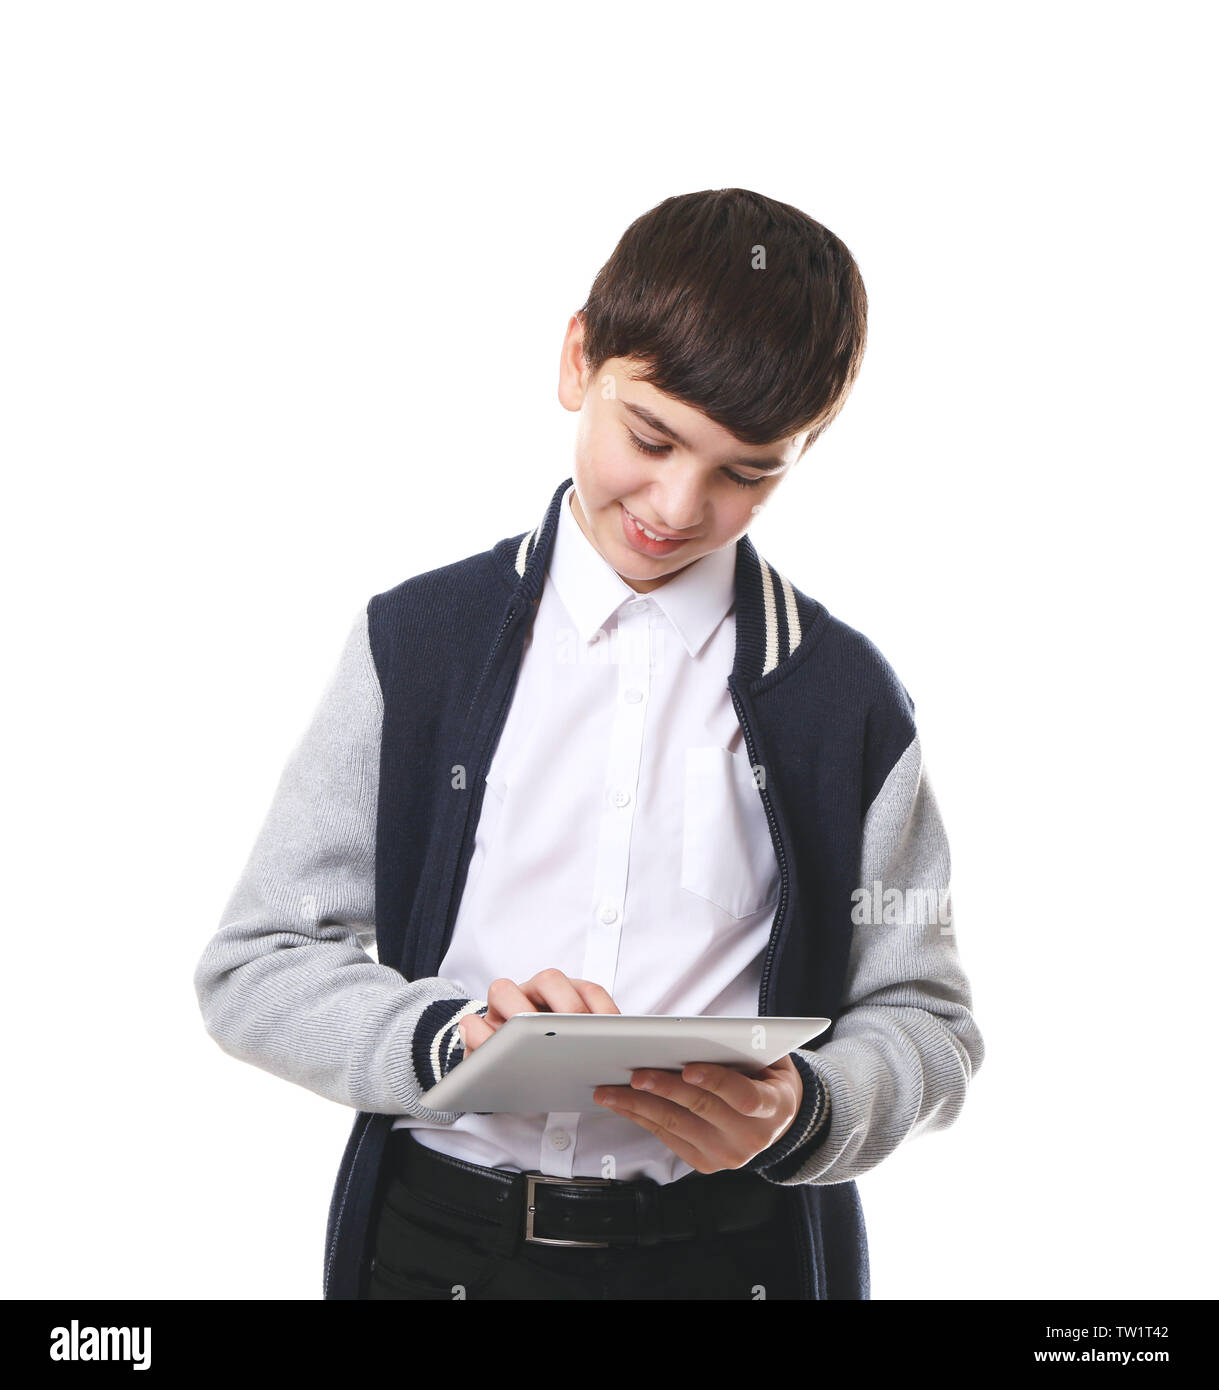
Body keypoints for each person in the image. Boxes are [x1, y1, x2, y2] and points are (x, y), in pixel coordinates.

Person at [194, 187, 984, 1301]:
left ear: (802, 453)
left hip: (735, 1259)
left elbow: (928, 1023)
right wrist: (449, 1038)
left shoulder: (845, 700)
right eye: (650, 436)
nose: (674, 501)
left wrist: (803, 1107)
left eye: (745, 471)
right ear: (577, 359)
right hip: (441, 1252)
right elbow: (255, 964)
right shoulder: (415, 648)